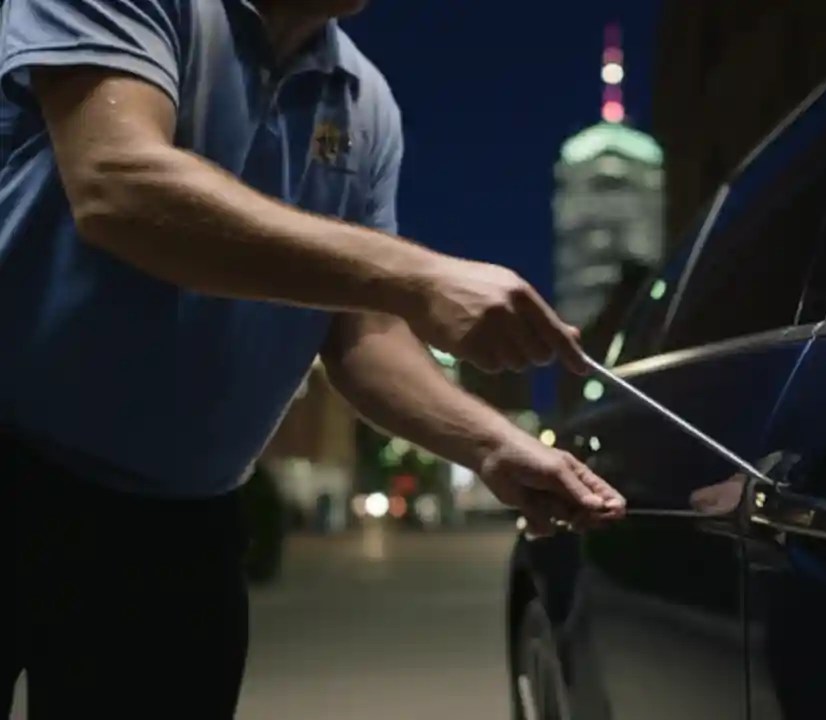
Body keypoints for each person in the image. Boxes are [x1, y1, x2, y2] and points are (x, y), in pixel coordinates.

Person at [0, 0, 626, 716]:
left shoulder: (364, 102)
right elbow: (116, 182)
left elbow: (361, 334)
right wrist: (416, 276)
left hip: (179, 524)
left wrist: (494, 445)